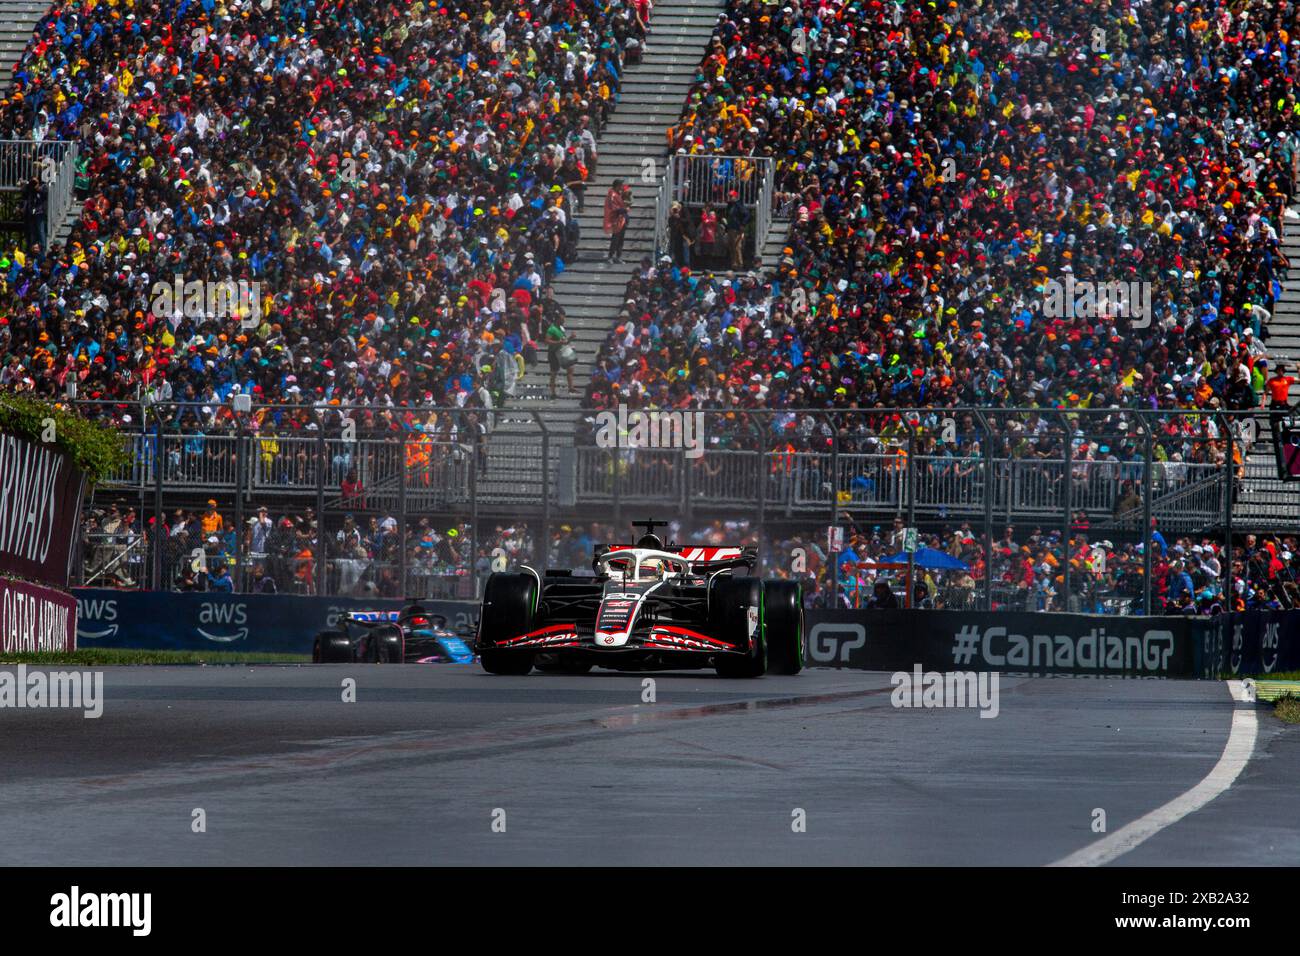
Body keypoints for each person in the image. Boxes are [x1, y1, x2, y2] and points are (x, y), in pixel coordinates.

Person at [545, 315, 576, 398]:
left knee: (570, 368)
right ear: (557, 319)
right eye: (562, 319)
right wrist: (558, 342)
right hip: (554, 353)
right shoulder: (552, 329)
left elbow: (564, 341)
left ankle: (571, 387)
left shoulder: (561, 328)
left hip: (562, 351)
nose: (564, 321)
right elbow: (547, 341)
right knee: (553, 374)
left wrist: (570, 338)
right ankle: (553, 392)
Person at [604, 179, 631, 264]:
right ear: (616, 186)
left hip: (622, 219)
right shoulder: (612, 194)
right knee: (615, 239)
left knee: (621, 239)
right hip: (615, 220)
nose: (622, 187)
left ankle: (618, 256)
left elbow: (628, 198)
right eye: (620, 185)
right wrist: (624, 209)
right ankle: (610, 256)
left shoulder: (620, 193)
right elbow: (613, 208)